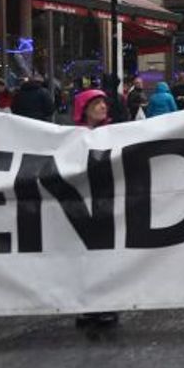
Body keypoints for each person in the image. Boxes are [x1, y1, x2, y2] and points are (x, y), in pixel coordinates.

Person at [71, 89, 121, 330]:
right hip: (82, 205)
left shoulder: (113, 133)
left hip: (106, 203)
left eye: (104, 103)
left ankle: (107, 304)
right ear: (84, 109)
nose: (103, 107)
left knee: (106, 255)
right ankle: (88, 306)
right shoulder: (73, 137)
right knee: (85, 258)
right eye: (97, 103)